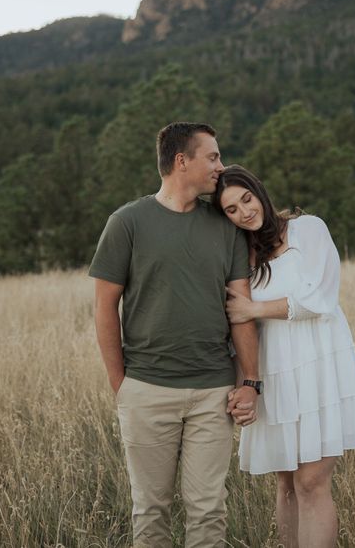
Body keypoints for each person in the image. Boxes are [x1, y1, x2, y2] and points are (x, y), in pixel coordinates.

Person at [89, 123, 261, 547]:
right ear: (181, 161)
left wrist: (250, 383)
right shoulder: (127, 222)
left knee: (208, 510)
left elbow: (240, 310)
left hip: (212, 391)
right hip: (146, 389)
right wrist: (121, 385)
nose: (221, 166)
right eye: (213, 157)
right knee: (150, 511)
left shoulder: (225, 227)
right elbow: (104, 307)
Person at [214, 165, 355, 548]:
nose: (244, 212)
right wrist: (244, 382)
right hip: (276, 370)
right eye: (231, 210)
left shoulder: (307, 229)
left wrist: (255, 309)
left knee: (311, 481)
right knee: (285, 484)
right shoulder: (241, 255)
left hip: (319, 363)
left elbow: (320, 298)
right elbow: (237, 323)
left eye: (246, 199)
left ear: (259, 191)